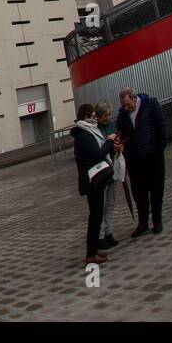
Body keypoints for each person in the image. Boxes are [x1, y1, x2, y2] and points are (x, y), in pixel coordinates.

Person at [117, 86, 168, 236]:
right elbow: (122, 135)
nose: (126, 108)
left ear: (134, 98)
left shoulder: (150, 104)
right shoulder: (122, 116)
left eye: (128, 104)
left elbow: (161, 126)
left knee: (156, 188)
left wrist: (160, 147)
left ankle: (157, 220)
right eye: (123, 106)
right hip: (135, 160)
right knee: (139, 193)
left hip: (153, 155)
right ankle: (143, 222)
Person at [72, 103, 118, 265]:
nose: (94, 119)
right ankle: (90, 255)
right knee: (95, 217)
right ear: (85, 117)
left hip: (95, 179)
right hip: (93, 181)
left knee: (96, 216)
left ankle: (93, 251)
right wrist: (109, 143)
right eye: (92, 116)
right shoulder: (84, 135)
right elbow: (96, 154)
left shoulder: (87, 132)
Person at [95, 101, 124, 249]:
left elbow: (120, 141)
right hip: (102, 170)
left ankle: (109, 232)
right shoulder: (96, 130)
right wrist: (109, 142)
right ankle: (99, 236)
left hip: (113, 166)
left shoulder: (113, 125)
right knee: (102, 204)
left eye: (109, 115)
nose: (108, 118)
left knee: (110, 203)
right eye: (105, 115)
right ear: (98, 116)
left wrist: (119, 145)